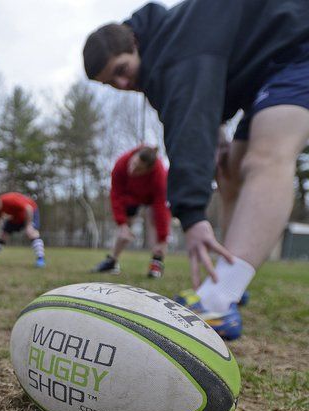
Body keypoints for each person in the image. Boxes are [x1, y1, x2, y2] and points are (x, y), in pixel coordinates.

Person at [83, 0, 309, 339]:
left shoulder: (172, 53)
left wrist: (192, 216)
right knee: (230, 170)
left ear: (134, 42)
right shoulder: (164, 51)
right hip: (266, 71)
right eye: (111, 83)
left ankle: (219, 300)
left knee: (265, 155)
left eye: (121, 70)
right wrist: (218, 137)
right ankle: (230, 278)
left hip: (298, 45)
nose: (123, 84)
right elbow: (204, 94)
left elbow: (188, 124)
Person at [92, 145, 170, 278]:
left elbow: (161, 207)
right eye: (133, 163)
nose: (132, 169)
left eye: (138, 169)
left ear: (148, 170)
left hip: (152, 198)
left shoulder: (159, 174)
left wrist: (162, 237)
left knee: (154, 220)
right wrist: (121, 224)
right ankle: (112, 261)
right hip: (131, 196)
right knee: (125, 227)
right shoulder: (121, 164)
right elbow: (116, 195)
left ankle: (156, 263)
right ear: (134, 156)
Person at [0, 193, 46, 268]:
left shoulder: (10, 200)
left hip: (31, 212)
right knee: (2, 235)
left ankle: (40, 259)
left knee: (31, 232)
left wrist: (28, 225)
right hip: (16, 217)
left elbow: (29, 208)